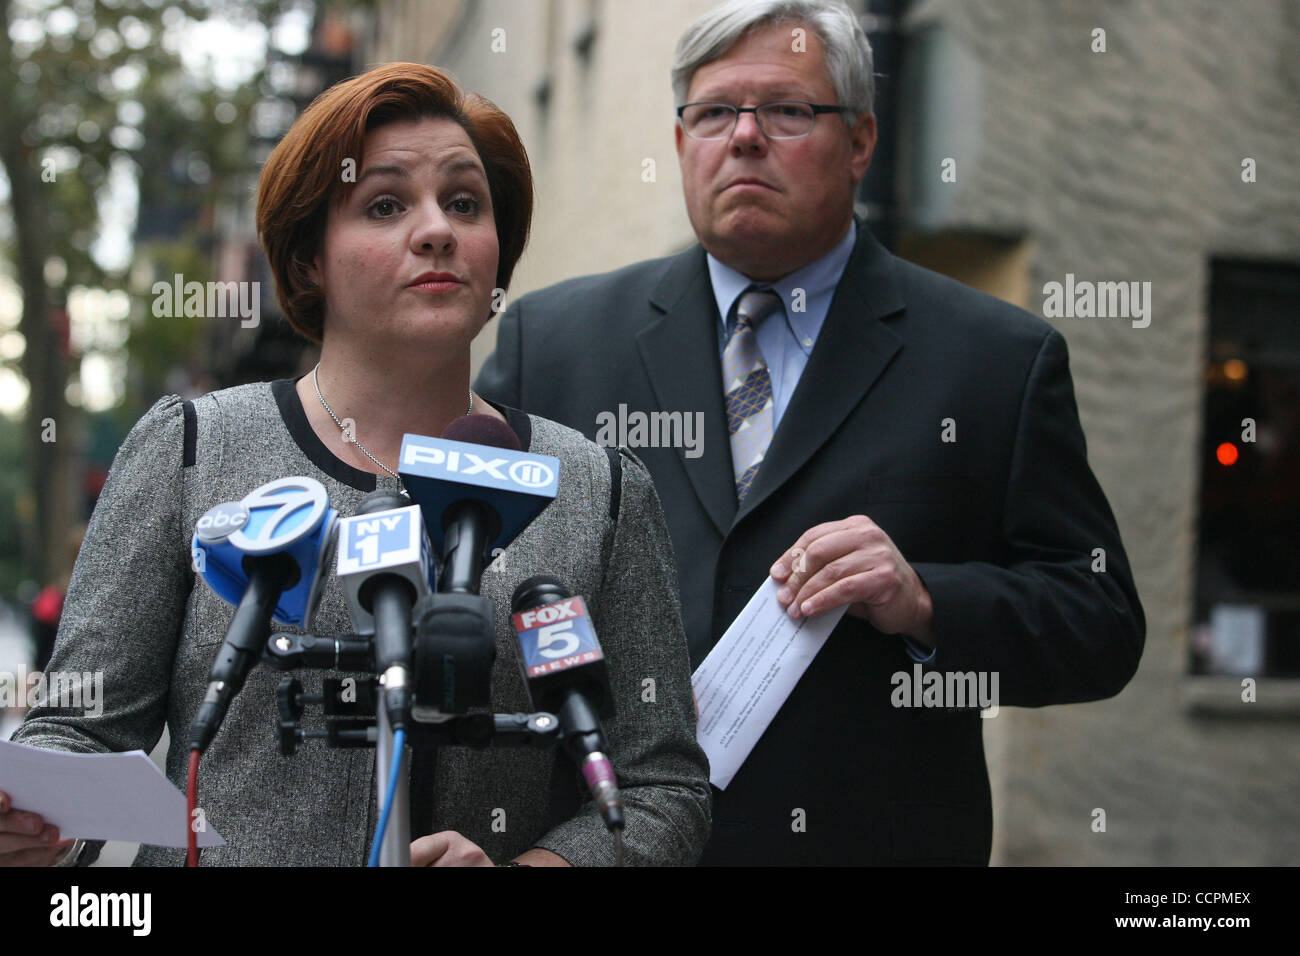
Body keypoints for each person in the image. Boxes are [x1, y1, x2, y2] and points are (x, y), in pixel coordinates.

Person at [475, 0, 1145, 865]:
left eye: (788, 111)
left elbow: (1101, 623)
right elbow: (461, 592)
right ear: (681, 145)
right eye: (714, 112)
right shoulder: (553, 344)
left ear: (862, 141)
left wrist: (928, 603)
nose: (744, 137)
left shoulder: (994, 360)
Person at [2, 63, 709, 867]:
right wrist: (34, 823)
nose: (437, 229)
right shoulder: (191, 450)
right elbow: (78, 726)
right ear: (309, 260)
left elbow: (660, 790)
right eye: (385, 204)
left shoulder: (599, 490)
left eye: (465, 203)